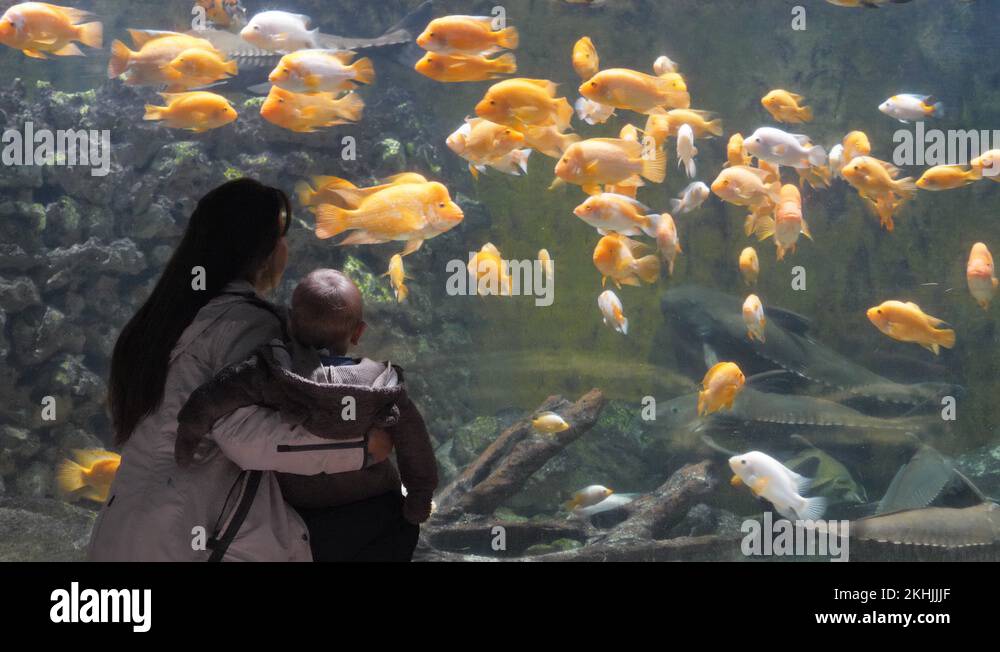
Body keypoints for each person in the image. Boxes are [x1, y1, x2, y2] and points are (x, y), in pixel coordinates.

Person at [88, 179, 393, 562]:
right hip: (194, 539)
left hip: (124, 530)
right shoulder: (247, 322)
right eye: (282, 237)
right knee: (388, 514)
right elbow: (242, 436)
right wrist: (358, 449)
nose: (287, 248)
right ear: (263, 252)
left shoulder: (160, 319)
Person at [174, 269, 439, 561]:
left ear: (290, 323)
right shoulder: (382, 386)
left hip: (306, 520)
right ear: (359, 332)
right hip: (377, 509)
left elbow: (215, 396)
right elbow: (414, 442)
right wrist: (420, 495)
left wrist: (188, 433)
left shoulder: (273, 374)